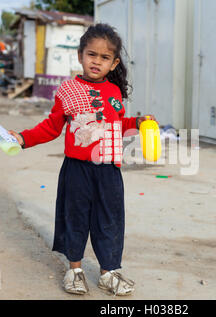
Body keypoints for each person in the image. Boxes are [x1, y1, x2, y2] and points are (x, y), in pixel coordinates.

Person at [8, 23, 158, 296]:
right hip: (77, 169)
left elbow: (115, 124)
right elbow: (51, 127)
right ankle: (74, 269)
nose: (96, 61)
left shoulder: (114, 92)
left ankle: (108, 272)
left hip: (109, 171)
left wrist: (136, 122)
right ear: (80, 56)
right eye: (91, 54)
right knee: (74, 218)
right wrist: (23, 138)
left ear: (113, 64)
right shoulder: (67, 90)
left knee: (110, 220)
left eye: (104, 58)